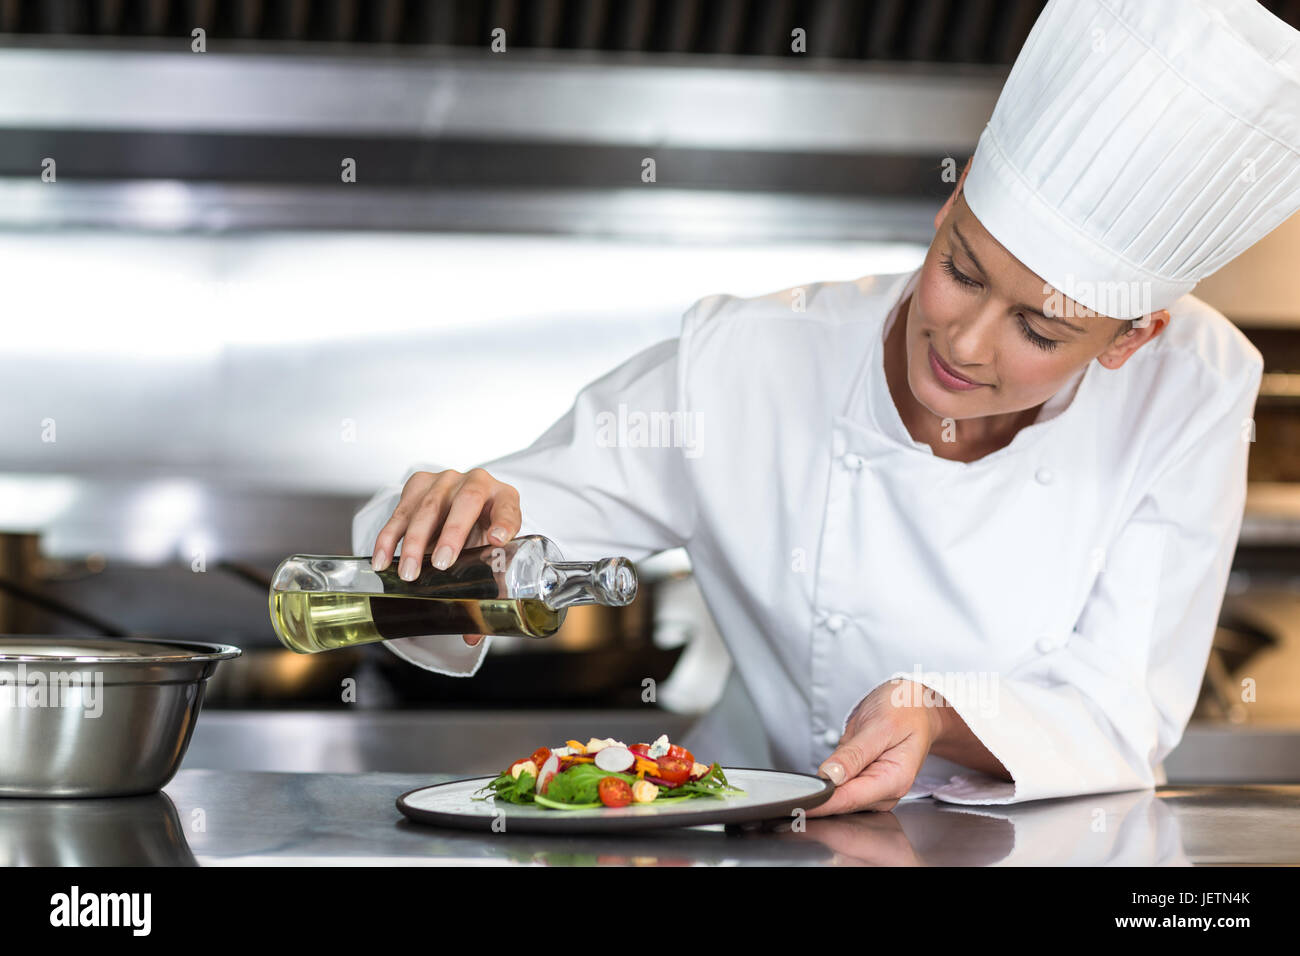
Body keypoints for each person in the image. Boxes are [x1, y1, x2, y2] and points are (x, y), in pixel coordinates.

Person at [354, 0, 1300, 811]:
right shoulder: (750, 364)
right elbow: (460, 557)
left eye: (1041, 334)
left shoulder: (1198, 383)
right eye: (958, 271)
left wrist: (936, 713)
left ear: (1132, 338)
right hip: (754, 834)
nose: (965, 344)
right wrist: (455, 540)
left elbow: (1120, 705)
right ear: (948, 207)